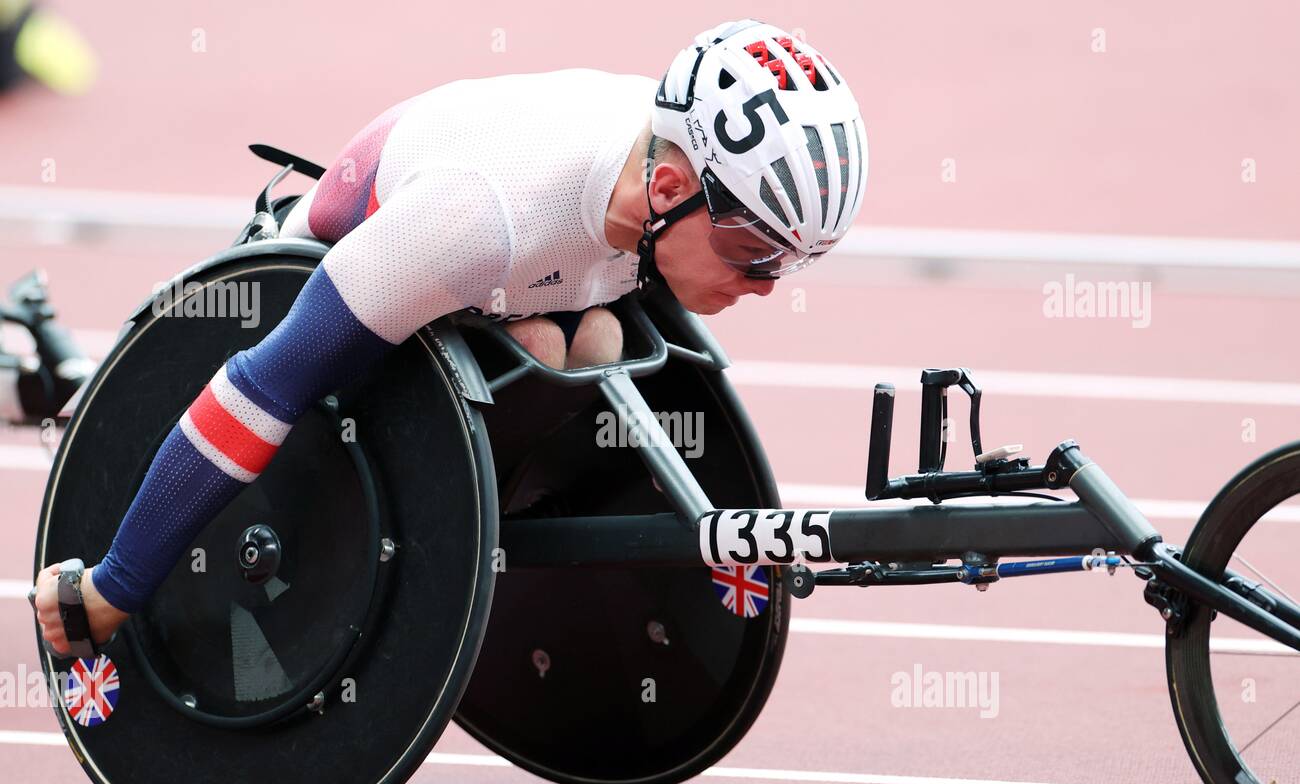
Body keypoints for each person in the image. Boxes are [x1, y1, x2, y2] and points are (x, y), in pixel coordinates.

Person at [32, 18, 867, 654]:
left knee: (594, 343)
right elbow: (263, 384)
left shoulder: (666, 183)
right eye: (752, 253)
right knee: (546, 348)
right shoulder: (475, 222)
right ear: (669, 186)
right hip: (407, 234)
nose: (763, 286)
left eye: (790, 266)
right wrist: (113, 588)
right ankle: (42, 390)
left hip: (527, 276)